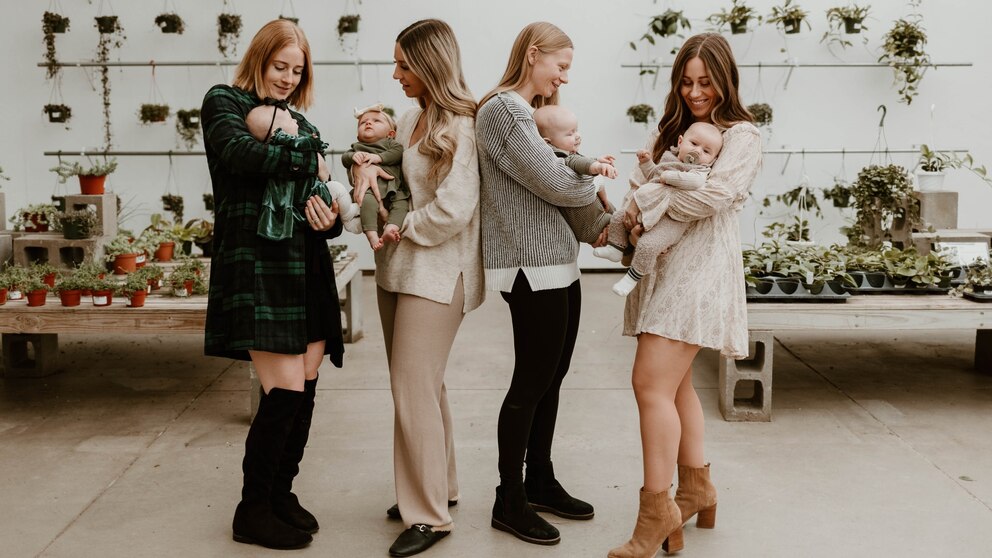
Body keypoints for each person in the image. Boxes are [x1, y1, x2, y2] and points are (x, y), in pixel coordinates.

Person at [607, 32, 762, 558]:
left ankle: (656, 512)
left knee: (648, 384)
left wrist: (654, 203)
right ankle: (696, 490)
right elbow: (638, 183)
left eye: (706, 82)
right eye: (687, 82)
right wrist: (641, 201)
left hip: (700, 273)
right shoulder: (672, 128)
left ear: (726, 80)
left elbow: (716, 196)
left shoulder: (742, 135)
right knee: (673, 389)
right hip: (661, 272)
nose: (697, 92)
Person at [201, 19, 344, 551]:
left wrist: (329, 214)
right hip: (257, 263)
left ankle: (281, 493)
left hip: (303, 261)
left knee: (304, 385)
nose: (286, 78)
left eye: (297, 69)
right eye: (279, 66)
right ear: (259, 58)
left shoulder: (297, 119)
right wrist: (314, 157)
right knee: (282, 389)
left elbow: (323, 191)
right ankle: (251, 510)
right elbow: (243, 155)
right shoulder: (224, 102)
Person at [349, 18, 483, 558]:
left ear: (430, 65)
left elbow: (456, 207)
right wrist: (361, 167)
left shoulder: (462, 125)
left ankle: (426, 516)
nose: (396, 73)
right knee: (424, 386)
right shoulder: (409, 118)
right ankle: (439, 489)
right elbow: (387, 172)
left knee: (411, 387)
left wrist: (402, 227)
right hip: (398, 271)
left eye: (405, 64)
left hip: (437, 271)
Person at [476, 21, 605, 547]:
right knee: (531, 382)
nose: (565, 78)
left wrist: (606, 224)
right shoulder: (504, 111)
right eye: (562, 65)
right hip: (530, 268)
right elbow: (556, 183)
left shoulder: (529, 116)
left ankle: (540, 480)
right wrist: (592, 171)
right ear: (534, 54)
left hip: (556, 265)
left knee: (551, 378)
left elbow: (562, 192)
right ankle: (509, 500)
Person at [593, 121, 724, 296]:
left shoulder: (699, 170)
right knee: (618, 216)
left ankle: (631, 278)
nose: (698, 151)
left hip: (671, 220)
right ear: (680, 142)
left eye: (706, 151)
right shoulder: (668, 159)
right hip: (648, 207)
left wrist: (668, 176)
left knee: (649, 245)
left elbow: (694, 182)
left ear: (713, 159)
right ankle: (615, 249)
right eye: (694, 144)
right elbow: (653, 176)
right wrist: (646, 163)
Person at [245, 104, 359, 241]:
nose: (295, 121)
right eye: (289, 120)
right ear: (278, 132)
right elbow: (309, 149)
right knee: (338, 189)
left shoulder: (276, 152)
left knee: (335, 193)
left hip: (308, 199)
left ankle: (348, 218)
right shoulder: (288, 145)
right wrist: (314, 146)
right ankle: (349, 216)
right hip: (310, 195)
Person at [532, 104, 616, 243]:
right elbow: (577, 163)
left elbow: (580, 162)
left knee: (619, 216)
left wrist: (596, 160)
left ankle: (625, 250)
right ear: (548, 142)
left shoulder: (568, 154)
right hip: (593, 226)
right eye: (570, 134)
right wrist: (597, 166)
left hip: (596, 218)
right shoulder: (559, 156)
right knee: (624, 223)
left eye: (576, 130)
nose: (577, 136)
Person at [341, 104, 410, 250]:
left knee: (402, 204)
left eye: (376, 121)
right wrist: (353, 156)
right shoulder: (357, 147)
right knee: (367, 202)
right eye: (363, 122)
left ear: (390, 134)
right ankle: (372, 236)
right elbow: (345, 159)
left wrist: (379, 157)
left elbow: (398, 153)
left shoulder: (391, 144)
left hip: (393, 187)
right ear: (358, 136)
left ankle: (391, 228)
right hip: (369, 190)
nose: (368, 123)